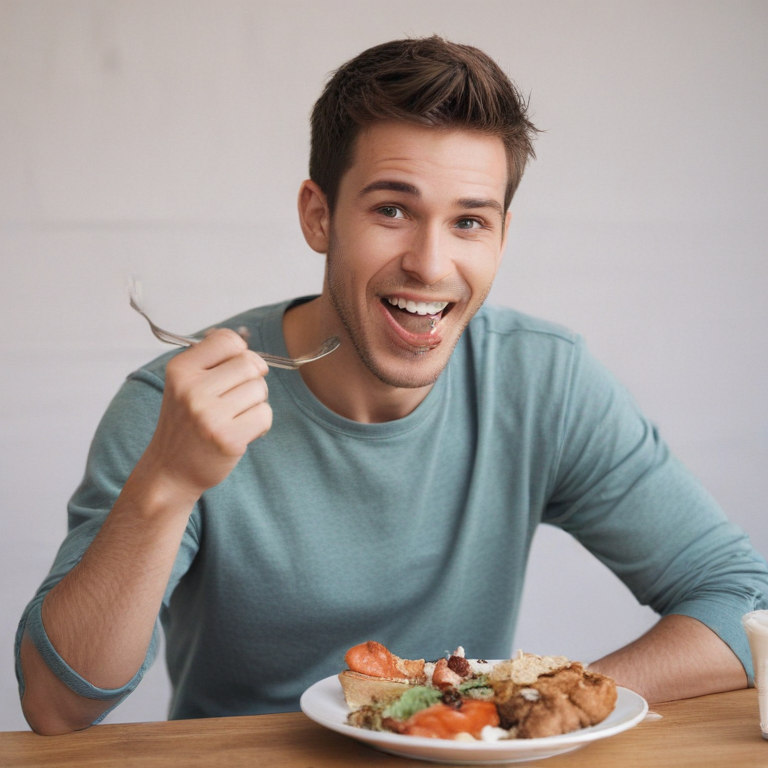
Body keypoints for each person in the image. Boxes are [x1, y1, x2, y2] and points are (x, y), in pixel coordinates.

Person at [16, 36, 768, 735]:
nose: (431, 264)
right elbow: (57, 704)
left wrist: (542, 701)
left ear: (502, 236)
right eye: (392, 210)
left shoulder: (544, 381)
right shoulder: (176, 408)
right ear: (319, 216)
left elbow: (746, 597)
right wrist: (166, 482)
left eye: (469, 222)